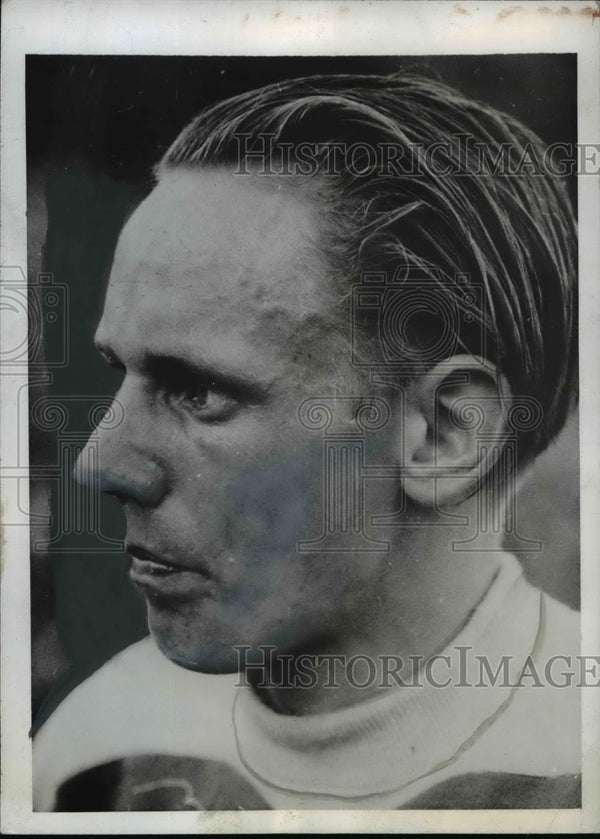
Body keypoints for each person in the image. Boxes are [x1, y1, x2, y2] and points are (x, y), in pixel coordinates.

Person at [33, 73, 580, 810]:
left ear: (445, 431)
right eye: (119, 372)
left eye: (199, 391)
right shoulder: (92, 752)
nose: (99, 463)